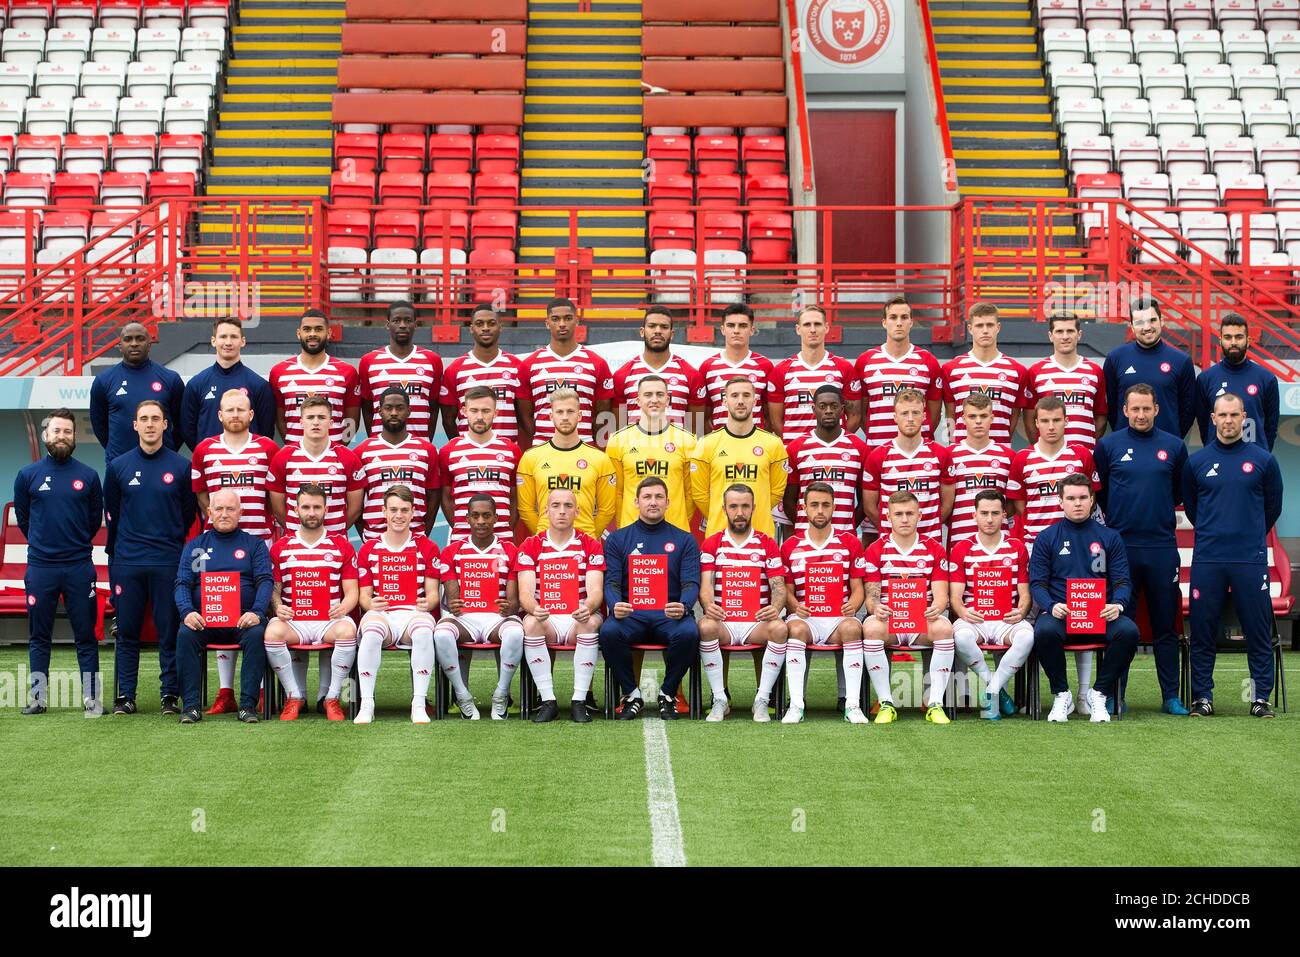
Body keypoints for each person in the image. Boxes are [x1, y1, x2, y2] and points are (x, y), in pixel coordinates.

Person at [1182, 393, 1285, 718]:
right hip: (1209, 560)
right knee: (1202, 629)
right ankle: (1202, 698)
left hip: (1249, 559)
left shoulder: (1263, 461)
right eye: (1222, 415)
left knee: (1256, 631)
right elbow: (1193, 508)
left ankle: (1259, 698)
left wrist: (1247, 535)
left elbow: (1272, 507)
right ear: (1212, 418)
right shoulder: (1196, 462)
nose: (1228, 421)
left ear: (1244, 418)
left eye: (1234, 415)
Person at [1093, 383, 1189, 715]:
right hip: (1121, 548)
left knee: (1166, 626)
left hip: (1162, 546)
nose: (1141, 414)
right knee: (1121, 626)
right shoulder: (1107, 446)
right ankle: (1114, 694)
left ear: (1156, 409)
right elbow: (1101, 493)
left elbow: (1179, 491)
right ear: (1125, 410)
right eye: (1135, 409)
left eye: (1146, 408)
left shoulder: (1174, 447)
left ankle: (1171, 696)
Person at [104, 399, 197, 716]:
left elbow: (187, 515)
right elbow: (113, 515)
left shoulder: (181, 467)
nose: (149, 424)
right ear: (135, 425)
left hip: (167, 561)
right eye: (143, 418)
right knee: (127, 632)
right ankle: (125, 696)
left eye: (155, 418)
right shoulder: (118, 467)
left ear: (165, 424)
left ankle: (169, 695)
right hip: (128, 561)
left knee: (167, 631)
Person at [1008, 395, 1101, 707]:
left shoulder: (1080, 456)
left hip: (1077, 548)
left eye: (1056, 420)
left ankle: (1086, 693)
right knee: (1035, 621)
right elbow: (1020, 505)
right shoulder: (1023, 459)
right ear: (1035, 424)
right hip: (1036, 547)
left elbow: (1091, 499)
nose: (1050, 426)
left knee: (1082, 614)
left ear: (1066, 422)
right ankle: (1034, 695)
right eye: (1044, 421)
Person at [1029, 474, 1140, 724]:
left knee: (1129, 631)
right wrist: (1051, 605)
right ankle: (1062, 693)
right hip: (1064, 615)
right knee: (1044, 630)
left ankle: (1098, 693)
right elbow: (1037, 583)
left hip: (1100, 615)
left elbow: (1123, 581)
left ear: (1092, 500)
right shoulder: (1046, 538)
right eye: (1070, 498)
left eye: (1082, 498)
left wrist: (1118, 604)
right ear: (1060, 502)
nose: (1077, 503)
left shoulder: (1110, 537)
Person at [14, 409, 104, 715]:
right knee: (39, 635)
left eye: (67, 431)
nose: (62, 436)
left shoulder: (89, 477)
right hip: (41, 568)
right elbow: (25, 520)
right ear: (46, 435)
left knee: (86, 635)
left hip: (79, 566)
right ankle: (37, 698)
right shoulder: (28, 476)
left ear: (74, 437)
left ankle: (92, 699)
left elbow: (93, 522)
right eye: (56, 431)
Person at [599, 477, 701, 720]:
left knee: (689, 633)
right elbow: (611, 581)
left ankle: (667, 694)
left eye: (658, 497)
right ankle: (632, 694)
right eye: (647, 497)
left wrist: (684, 606)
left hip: (669, 615)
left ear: (668, 502)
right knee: (608, 632)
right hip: (631, 615)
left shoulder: (684, 539)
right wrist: (615, 604)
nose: (653, 502)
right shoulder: (617, 539)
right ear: (636, 502)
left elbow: (691, 582)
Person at [353, 485, 454, 724]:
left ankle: (418, 702)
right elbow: (363, 597)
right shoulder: (369, 548)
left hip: (412, 613)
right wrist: (371, 603)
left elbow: (432, 595)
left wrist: (426, 602)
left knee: (423, 631)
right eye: (394, 510)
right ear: (384, 512)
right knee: (370, 633)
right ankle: (367, 704)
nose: (399, 515)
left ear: (413, 513)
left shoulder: (427, 547)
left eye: (404, 510)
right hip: (383, 614)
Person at [174, 489, 274, 724]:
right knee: (185, 634)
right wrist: (188, 612)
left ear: (241, 513)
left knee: (258, 633)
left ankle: (247, 706)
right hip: (205, 621)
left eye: (230, 509)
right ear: (209, 512)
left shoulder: (254, 545)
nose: (224, 514)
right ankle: (191, 707)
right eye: (219, 509)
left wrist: (257, 612)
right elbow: (182, 583)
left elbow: (265, 581)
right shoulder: (196, 546)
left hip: (243, 620)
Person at [265, 484, 359, 721]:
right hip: (295, 620)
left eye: (317, 507)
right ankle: (294, 696)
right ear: (296, 510)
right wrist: (278, 606)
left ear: (326, 509)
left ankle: (332, 698)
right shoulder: (281, 547)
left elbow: (352, 592)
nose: (311, 512)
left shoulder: (341, 545)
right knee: (272, 632)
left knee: (348, 629)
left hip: (328, 619)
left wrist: (344, 607)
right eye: (305, 507)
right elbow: (274, 590)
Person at [861, 491, 955, 726]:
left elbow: (941, 596)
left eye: (910, 514)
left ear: (919, 515)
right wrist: (877, 608)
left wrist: (936, 608)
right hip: (891, 620)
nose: (904, 519)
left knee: (944, 627)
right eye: (899, 514)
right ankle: (886, 703)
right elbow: (871, 599)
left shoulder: (934, 548)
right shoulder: (875, 549)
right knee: (871, 627)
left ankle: (934, 703)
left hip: (921, 619)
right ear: (888, 517)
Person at [514, 489, 606, 723]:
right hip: (548, 619)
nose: (562, 511)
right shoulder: (531, 545)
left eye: (568, 506)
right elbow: (525, 592)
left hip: (578, 617)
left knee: (592, 621)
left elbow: (595, 590)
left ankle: (579, 700)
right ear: (546, 510)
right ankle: (548, 700)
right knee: (530, 622)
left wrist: (589, 606)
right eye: (555, 505)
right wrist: (534, 608)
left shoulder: (590, 545)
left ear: (577, 511)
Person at [779, 483, 868, 724]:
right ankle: (796, 704)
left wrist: (853, 605)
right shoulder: (790, 546)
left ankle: (852, 704)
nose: (820, 510)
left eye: (825, 505)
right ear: (804, 508)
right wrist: (796, 606)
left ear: (834, 508)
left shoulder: (849, 542)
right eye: (814, 505)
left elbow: (858, 589)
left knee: (853, 628)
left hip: (839, 617)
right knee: (795, 629)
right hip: (806, 618)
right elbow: (786, 590)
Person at [698, 485, 789, 722]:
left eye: (745, 506)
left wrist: (776, 608)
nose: (740, 512)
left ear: (753, 509)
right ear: (725, 509)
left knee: (780, 628)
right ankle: (720, 699)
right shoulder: (712, 543)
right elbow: (706, 585)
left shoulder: (767, 543)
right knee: (705, 626)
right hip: (725, 621)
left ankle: (761, 700)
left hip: (755, 622)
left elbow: (779, 586)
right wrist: (708, 605)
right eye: (734, 506)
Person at [436, 494, 524, 721]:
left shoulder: (510, 550)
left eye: (486, 515)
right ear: (467, 519)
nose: (481, 521)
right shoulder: (452, 551)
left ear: (496, 518)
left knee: (515, 632)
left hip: (497, 618)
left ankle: (501, 694)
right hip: (466, 617)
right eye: (475, 516)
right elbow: (453, 601)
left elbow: (514, 603)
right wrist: (453, 603)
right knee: (442, 634)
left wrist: (509, 607)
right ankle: (462, 695)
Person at [948, 490, 1033, 721]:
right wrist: (964, 611)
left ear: (1004, 515)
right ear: (974, 515)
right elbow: (955, 596)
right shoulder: (962, 548)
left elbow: (1024, 593)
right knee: (960, 636)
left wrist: (1021, 610)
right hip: (975, 618)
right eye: (984, 513)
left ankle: (991, 690)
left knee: (1027, 635)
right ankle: (996, 688)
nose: (989, 519)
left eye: (995, 513)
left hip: (1006, 619)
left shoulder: (1017, 547)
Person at [691, 376, 788, 538]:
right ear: (724, 401)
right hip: (720, 535)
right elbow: (700, 495)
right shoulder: (706, 445)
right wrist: (723, 513)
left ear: (755, 402)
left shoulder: (773, 444)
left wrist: (754, 510)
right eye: (734, 396)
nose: (741, 401)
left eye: (746, 395)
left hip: (760, 534)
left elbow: (776, 492)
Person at [515, 388, 617, 538]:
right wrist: (545, 535)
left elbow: (607, 510)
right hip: (546, 544)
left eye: (570, 411)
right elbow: (525, 509)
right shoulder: (531, 457)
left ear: (580, 415)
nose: (565, 417)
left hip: (585, 544)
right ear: (551, 416)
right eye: (559, 412)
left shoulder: (599, 458)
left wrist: (588, 536)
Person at [517, 297, 615, 446]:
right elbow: (525, 417)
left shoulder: (597, 363)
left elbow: (602, 415)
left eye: (568, 318)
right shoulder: (529, 365)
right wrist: (543, 441)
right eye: (555, 319)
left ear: (577, 321)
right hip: (543, 448)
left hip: (584, 447)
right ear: (547, 323)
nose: (562, 324)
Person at [605, 374, 697, 531]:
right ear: (638, 401)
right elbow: (616, 494)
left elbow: (691, 495)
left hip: (675, 530)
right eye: (648, 395)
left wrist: (675, 520)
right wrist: (625, 527)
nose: (654, 400)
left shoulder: (688, 441)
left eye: (660, 395)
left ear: (668, 400)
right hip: (631, 530)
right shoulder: (618, 441)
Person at [862, 388, 954, 542]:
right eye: (904, 413)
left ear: (924, 416)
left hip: (930, 544)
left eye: (916, 413)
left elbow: (947, 504)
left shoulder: (940, 454)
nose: (910, 418)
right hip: (890, 548)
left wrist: (927, 530)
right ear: (895, 417)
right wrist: (895, 531)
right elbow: (869, 508)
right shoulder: (878, 456)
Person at [267, 395, 365, 538]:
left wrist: (334, 533)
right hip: (295, 544)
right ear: (301, 422)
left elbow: (355, 509)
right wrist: (298, 534)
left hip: (336, 544)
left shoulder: (347, 458)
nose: (316, 422)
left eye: (321, 417)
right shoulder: (283, 457)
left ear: (331, 423)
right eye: (310, 417)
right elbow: (277, 509)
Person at [90, 321, 184, 465]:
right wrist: (117, 450)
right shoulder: (103, 381)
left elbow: (181, 424)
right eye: (128, 339)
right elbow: (99, 425)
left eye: (140, 338)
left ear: (150, 344)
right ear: (120, 346)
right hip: (119, 463)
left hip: (164, 463)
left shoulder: (170, 379)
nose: (134, 343)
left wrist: (167, 449)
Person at [354, 386, 442, 540]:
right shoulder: (362, 452)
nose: (394, 413)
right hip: (374, 539)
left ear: (409, 411)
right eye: (388, 408)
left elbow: (433, 496)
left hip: (415, 539)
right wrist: (367, 535)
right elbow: (357, 502)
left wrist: (422, 535)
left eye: (399, 408)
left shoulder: (427, 450)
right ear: (380, 411)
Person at [783, 385, 872, 536]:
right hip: (806, 538)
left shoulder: (859, 448)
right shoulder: (796, 448)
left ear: (842, 409)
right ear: (813, 409)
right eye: (822, 406)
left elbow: (865, 502)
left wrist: (845, 530)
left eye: (834, 406)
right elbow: (789, 501)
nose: (828, 410)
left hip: (844, 538)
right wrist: (806, 528)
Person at [855, 295, 943, 446]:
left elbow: (933, 415)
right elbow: (861, 413)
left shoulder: (928, 361)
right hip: (878, 449)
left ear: (911, 322)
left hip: (920, 452)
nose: (899, 323)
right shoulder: (865, 361)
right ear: (884, 322)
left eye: (904, 317)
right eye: (893, 317)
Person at [1103, 297, 1195, 438]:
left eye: (1152, 320)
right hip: (1126, 445)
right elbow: (1112, 407)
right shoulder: (1115, 358)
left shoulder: (1181, 361)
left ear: (1161, 321)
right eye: (1140, 323)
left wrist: (1171, 438)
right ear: (1132, 327)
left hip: (1166, 447)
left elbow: (1188, 410)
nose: (1147, 328)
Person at [769, 304, 862, 442]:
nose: (812, 330)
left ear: (826, 328)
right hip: (794, 453)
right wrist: (794, 446)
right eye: (807, 325)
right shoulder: (781, 370)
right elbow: (775, 421)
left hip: (833, 452)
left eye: (817, 324)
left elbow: (855, 416)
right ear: (798, 329)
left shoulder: (844, 368)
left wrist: (835, 442)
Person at [179, 317, 276, 451]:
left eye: (234, 337)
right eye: (223, 337)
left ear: (243, 341)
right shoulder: (196, 384)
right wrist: (207, 454)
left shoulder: (259, 385)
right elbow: (187, 430)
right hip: (210, 464)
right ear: (213, 341)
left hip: (248, 465)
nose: (228, 342)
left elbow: (266, 432)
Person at [437, 386, 521, 540]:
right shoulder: (448, 451)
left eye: (486, 411)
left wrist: (507, 528)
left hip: (502, 538)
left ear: (496, 413)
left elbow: (515, 497)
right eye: (474, 410)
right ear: (464, 411)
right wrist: (459, 528)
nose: (480, 417)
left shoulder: (512, 450)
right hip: (462, 539)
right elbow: (446, 497)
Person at [268, 308, 362, 445]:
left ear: (328, 333)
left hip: (333, 459)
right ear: (298, 333)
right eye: (307, 329)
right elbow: (281, 420)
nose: (312, 334)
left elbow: (352, 421)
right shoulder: (279, 372)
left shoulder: (347, 372)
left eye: (318, 329)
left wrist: (339, 450)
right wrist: (294, 446)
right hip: (296, 458)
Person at [439, 303, 528, 445]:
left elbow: (525, 418)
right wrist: (462, 446)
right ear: (471, 328)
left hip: (508, 453)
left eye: (491, 323)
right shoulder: (455, 369)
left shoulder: (517, 367)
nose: (485, 328)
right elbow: (448, 420)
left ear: (500, 327)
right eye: (479, 324)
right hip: (469, 455)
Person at [941, 302, 1029, 445]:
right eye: (979, 325)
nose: (985, 330)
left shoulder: (1017, 371)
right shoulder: (951, 369)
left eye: (990, 325)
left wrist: (1002, 441)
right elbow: (951, 414)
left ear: (998, 328)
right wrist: (955, 444)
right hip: (962, 455)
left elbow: (1013, 417)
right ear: (970, 328)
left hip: (1000, 454)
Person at [357, 300, 445, 441]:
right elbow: (367, 408)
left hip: (419, 446)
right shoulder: (369, 361)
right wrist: (374, 439)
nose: (403, 325)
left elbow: (433, 407)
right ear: (388, 325)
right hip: (380, 447)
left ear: (416, 325)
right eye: (396, 321)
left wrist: (425, 440)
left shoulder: (432, 360)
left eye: (408, 321)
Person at [611, 306, 707, 432]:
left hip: (676, 450)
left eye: (664, 327)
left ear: (672, 334)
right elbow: (619, 429)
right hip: (636, 450)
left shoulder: (691, 375)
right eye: (652, 326)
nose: (658, 331)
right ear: (642, 331)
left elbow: (695, 429)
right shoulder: (622, 375)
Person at [1194, 312, 1280, 451]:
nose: (1233, 342)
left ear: (1248, 340)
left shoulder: (1266, 379)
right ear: (1220, 340)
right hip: (1217, 459)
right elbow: (1204, 425)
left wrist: (1260, 454)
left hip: (1254, 461)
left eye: (1239, 337)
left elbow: (1271, 428)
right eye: (1228, 337)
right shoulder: (1205, 379)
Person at [1024, 311, 1107, 450]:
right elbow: (1029, 419)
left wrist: (1086, 447)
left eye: (1070, 331)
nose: (1065, 337)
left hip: (1084, 456)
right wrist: (1042, 450)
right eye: (1059, 331)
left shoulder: (1094, 371)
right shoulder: (1036, 371)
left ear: (1079, 334)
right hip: (1049, 457)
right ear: (1051, 336)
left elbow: (1101, 418)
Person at [945, 393, 1014, 544]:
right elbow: (945, 502)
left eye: (983, 416)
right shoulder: (949, 455)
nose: (978, 421)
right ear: (963, 419)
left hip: (999, 542)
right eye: (972, 416)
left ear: (992, 418)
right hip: (959, 539)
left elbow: (1012, 504)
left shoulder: (1008, 456)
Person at [698, 302, 775, 430]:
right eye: (731, 325)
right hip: (720, 445)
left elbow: (769, 416)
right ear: (723, 329)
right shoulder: (708, 367)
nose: (736, 331)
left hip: (754, 445)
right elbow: (703, 416)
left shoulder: (765, 366)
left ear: (752, 330)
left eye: (743, 326)